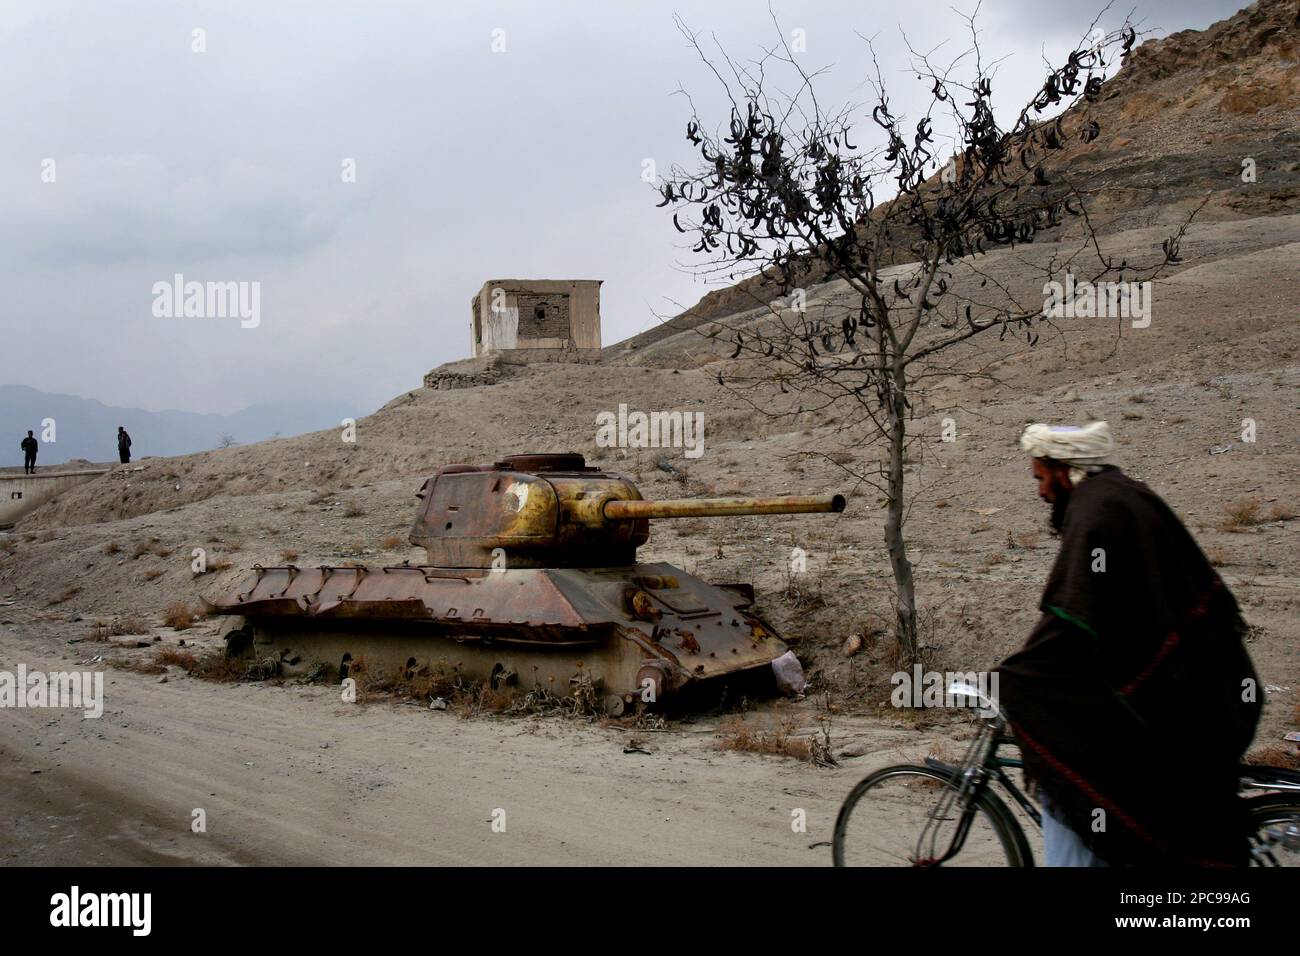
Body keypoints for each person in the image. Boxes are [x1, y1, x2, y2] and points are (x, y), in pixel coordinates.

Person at [996, 421, 1261, 866]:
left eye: (1040, 477)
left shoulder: (1095, 514)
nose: (1040, 491)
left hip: (1181, 703)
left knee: (1073, 782)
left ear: (1062, 470)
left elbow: (1071, 619)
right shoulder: (1121, 493)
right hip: (1210, 684)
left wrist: (1015, 677)